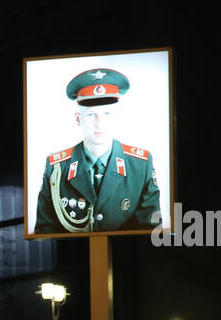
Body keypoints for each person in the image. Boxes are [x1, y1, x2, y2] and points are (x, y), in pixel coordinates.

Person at [34, 67, 161, 234]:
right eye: (90, 115)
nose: (99, 123)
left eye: (107, 113)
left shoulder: (140, 165)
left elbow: (150, 233)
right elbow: (45, 233)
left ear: (117, 116)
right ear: (78, 119)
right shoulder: (56, 168)